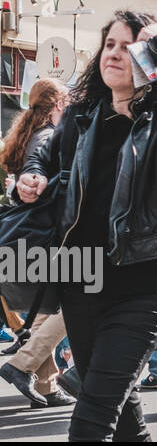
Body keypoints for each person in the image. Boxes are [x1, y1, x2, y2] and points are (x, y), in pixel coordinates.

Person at [17, 10, 157, 440]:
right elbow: (46, 159)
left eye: (130, 47)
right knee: (123, 422)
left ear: (152, 63)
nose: (115, 54)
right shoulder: (81, 117)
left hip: (143, 286)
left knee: (89, 422)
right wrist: (33, 178)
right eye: (110, 45)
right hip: (81, 284)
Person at [0, 79, 76, 408]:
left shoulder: (26, 135)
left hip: (33, 236)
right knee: (74, 305)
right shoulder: (48, 138)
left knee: (50, 306)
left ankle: (45, 384)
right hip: (50, 237)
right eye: (68, 102)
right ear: (58, 104)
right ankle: (22, 364)